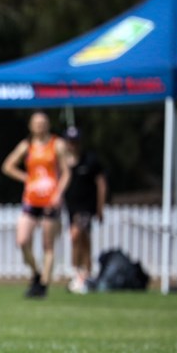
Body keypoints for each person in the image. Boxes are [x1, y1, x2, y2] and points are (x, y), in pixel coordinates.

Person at [1, 111, 70, 298]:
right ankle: (36, 273)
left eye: (43, 122)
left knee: (48, 245)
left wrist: (58, 194)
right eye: (36, 123)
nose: (40, 126)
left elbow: (66, 172)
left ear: (48, 125)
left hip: (50, 200)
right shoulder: (27, 145)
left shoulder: (57, 145)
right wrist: (26, 178)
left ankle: (43, 285)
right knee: (23, 240)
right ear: (31, 126)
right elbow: (7, 166)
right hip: (31, 200)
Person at [62, 126, 107, 294]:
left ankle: (78, 273)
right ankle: (84, 273)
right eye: (69, 142)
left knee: (76, 234)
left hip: (87, 206)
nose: (72, 145)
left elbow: (101, 183)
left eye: (75, 142)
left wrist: (100, 207)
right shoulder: (63, 162)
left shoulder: (90, 160)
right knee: (84, 240)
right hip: (70, 208)